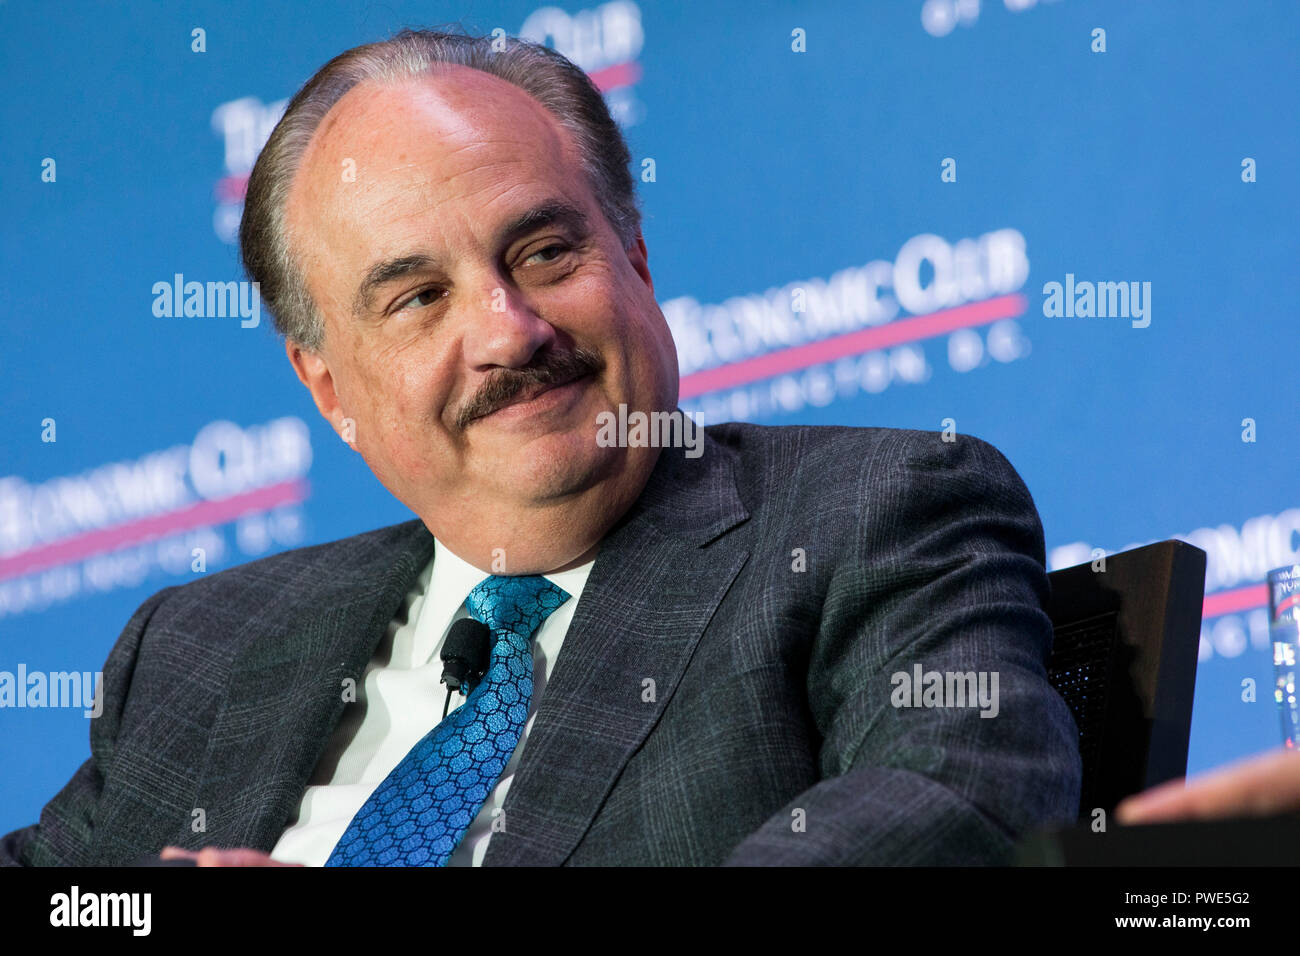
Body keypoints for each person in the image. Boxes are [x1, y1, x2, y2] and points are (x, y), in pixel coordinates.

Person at [0, 29, 1082, 867]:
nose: (509, 330)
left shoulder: (873, 512)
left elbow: (954, 808)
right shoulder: (201, 643)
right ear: (327, 384)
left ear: (637, 260)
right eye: (419, 297)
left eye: (546, 251)